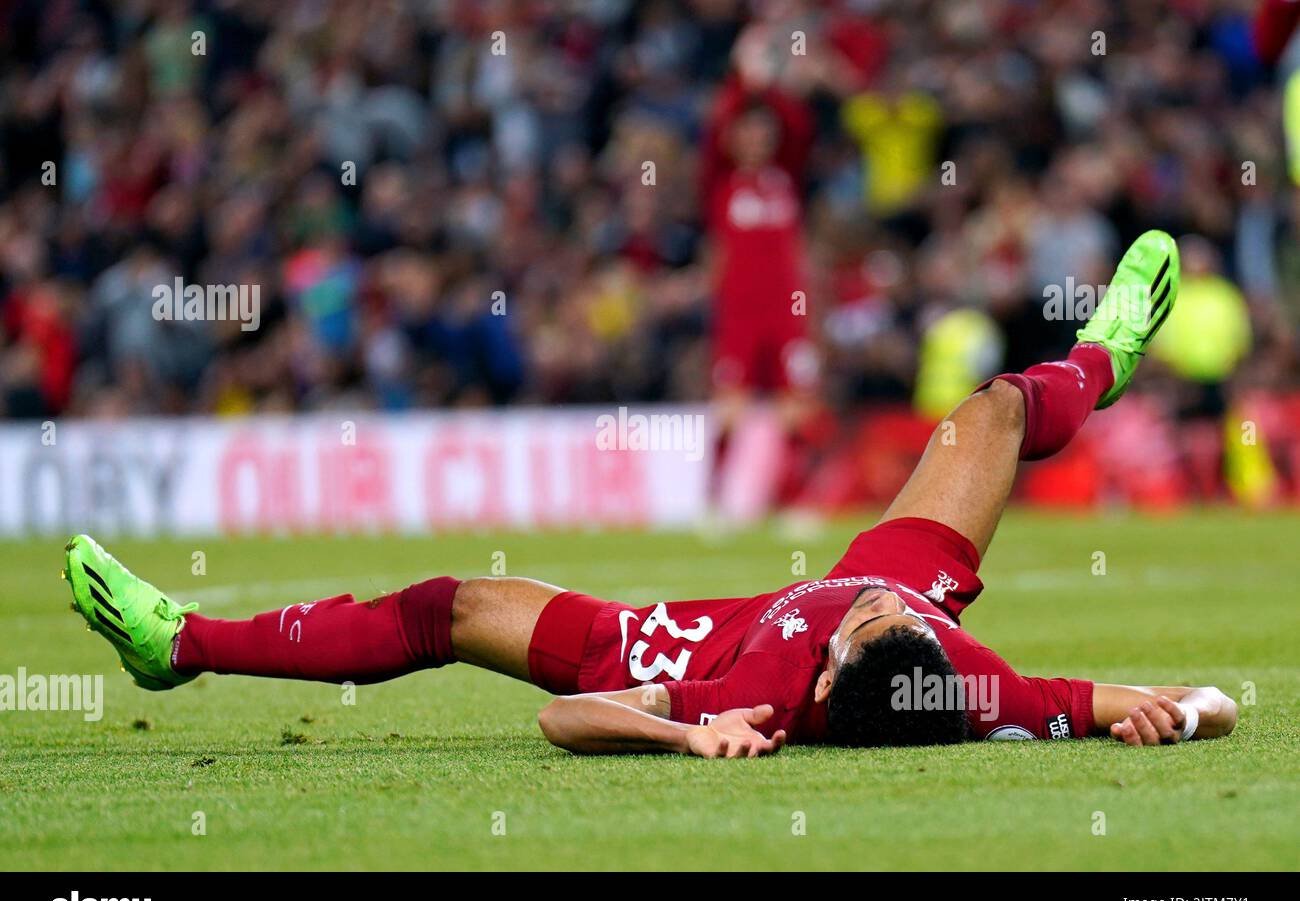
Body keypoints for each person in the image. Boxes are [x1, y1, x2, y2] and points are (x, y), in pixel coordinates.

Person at [63, 232, 1238, 758]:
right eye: (893, 620)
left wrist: (688, 732)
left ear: (828, 672)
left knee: (457, 606)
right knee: (987, 413)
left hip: (682, 640)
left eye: (867, 625)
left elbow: (560, 719)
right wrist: (1171, 716)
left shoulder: (767, 692)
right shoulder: (968, 678)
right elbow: (1214, 702)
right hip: (898, 547)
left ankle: (185, 643)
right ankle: (1106, 355)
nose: (875, 609)